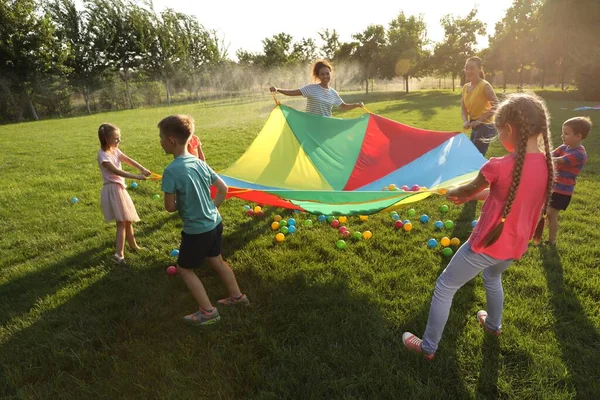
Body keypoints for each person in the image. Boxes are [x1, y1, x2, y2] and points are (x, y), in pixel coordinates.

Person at [402, 93, 554, 360]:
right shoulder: (547, 165)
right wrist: (469, 195)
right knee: (492, 277)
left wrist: (453, 191)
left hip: (486, 244)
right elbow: (504, 193)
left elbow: (467, 189)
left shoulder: (498, 166)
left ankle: (428, 347)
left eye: (497, 129)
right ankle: (493, 325)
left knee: (445, 286)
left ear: (508, 129)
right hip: (515, 245)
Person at [158, 114, 249, 326]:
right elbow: (223, 189)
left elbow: (170, 207)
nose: (160, 141)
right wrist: (211, 207)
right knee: (216, 259)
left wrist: (187, 204)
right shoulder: (199, 163)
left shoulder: (171, 171)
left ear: (171, 141)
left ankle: (208, 311)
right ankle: (238, 297)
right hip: (215, 223)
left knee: (184, 269)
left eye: (161, 137)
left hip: (197, 230)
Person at [97, 123, 150, 264]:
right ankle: (119, 254)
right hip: (113, 189)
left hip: (119, 188)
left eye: (119, 138)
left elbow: (128, 160)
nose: (118, 141)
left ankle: (133, 245)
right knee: (121, 222)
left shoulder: (115, 151)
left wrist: (142, 169)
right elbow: (116, 171)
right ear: (105, 139)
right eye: (115, 138)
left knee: (127, 219)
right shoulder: (103, 155)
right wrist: (137, 177)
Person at [545, 116, 591, 245]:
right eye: (562, 133)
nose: (562, 136)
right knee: (546, 212)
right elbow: (551, 154)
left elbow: (558, 160)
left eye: (566, 133)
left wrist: (541, 158)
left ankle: (551, 241)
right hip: (553, 187)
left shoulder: (579, 154)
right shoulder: (564, 147)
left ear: (578, 136)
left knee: (552, 213)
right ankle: (538, 233)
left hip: (563, 191)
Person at [269, 59, 364, 117]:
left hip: (326, 126)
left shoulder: (333, 93)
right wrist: (278, 89)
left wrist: (357, 105)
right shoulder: (311, 88)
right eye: (322, 74)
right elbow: (293, 92)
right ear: (318, 76)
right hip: (311, 126)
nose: (325, 76)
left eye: (327, 73)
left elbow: (343, 106)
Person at [461, 56, 499, 156]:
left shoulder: (485, 86)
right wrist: (465, 121)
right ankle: (479, 171)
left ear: (479, 69)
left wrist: (479, 120)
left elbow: (496, 106)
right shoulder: (465, 87)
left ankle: (481, 172)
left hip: (486, 126)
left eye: (472, 68)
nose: (468, 71)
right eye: (466, 68)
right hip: (474, 124)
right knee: (473, 155)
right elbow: (463, 107)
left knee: (475, 156)